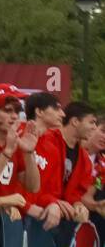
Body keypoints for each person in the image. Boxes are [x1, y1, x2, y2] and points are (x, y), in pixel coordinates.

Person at [24, 93, 93, 229]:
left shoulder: (82, 158)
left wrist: (78, 205)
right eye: (91, 122)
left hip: (50, 217)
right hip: (24, 213)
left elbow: (57, 191)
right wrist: (51, 202)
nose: (62, 114)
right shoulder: (24, 137)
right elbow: (15, 183)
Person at [0, 83, 40, 206]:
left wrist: (29, 152)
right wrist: (7, 151)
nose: (15, 116)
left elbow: (33, 187)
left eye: (17, 111)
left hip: (6, 217)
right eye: (8, 110)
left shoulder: (15, 142)